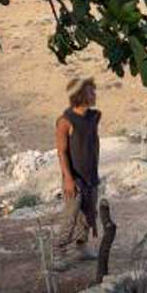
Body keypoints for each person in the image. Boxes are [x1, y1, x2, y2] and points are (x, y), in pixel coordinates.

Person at [52, 77, 101, 270]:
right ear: (79, 95)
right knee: (70, 215)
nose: (94, 95)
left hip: (91, 175)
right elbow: (62, 152)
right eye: (91, 92)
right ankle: (59, 252)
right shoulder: (65, 121)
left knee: (88, 214)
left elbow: (93, 142)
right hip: (74, 177)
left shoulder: (94, 117)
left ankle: (82, 247)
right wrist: (68, 179)